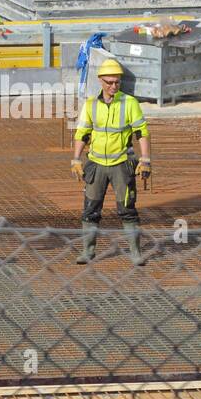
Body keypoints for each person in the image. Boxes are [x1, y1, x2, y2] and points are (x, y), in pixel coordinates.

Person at [71, 58, 152, 266]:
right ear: (100, 81)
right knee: (90, 209)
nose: (113, 86)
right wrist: (75, 160)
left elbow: (141, 133)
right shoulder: (91, 105)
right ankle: (88, 252)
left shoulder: (129, 103)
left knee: (127, 209)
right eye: (108, 82)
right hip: (95, 164)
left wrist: (145, 160)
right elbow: (82, 134)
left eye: (116, 82)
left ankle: (135, 253)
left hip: (121, 164)